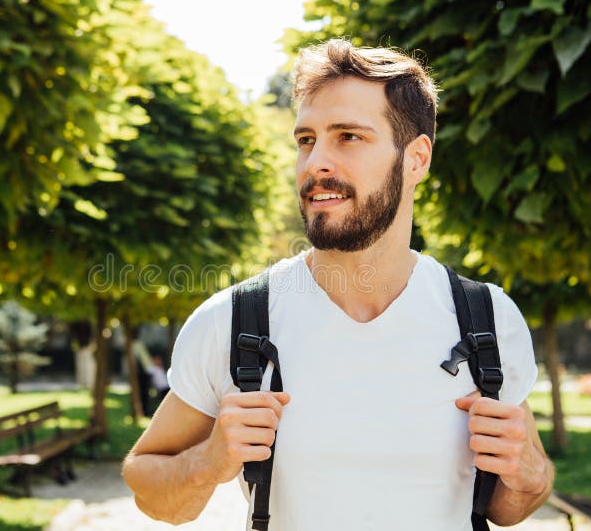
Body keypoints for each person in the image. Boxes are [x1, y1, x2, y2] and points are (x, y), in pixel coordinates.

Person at [122, 39, 554, 530]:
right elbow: (149, 488)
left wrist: (532, 475)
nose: (315, 164)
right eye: (306, 140)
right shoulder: (234, 320)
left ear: (416, 158)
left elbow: (507, 507)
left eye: (348, 136)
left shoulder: (486, 319)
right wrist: (208, 461)